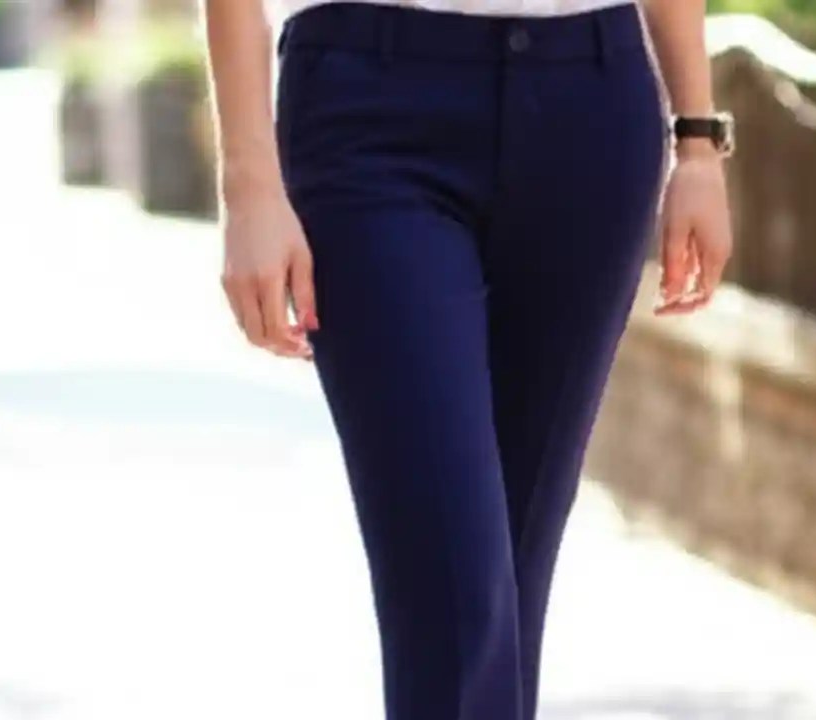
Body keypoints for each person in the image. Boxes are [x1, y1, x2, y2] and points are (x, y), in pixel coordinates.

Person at [202, 1, 733, 719]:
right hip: (368, 119)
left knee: (511, 591)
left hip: (590, 106)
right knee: (457, 593)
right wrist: (248, 185)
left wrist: (697, 141)